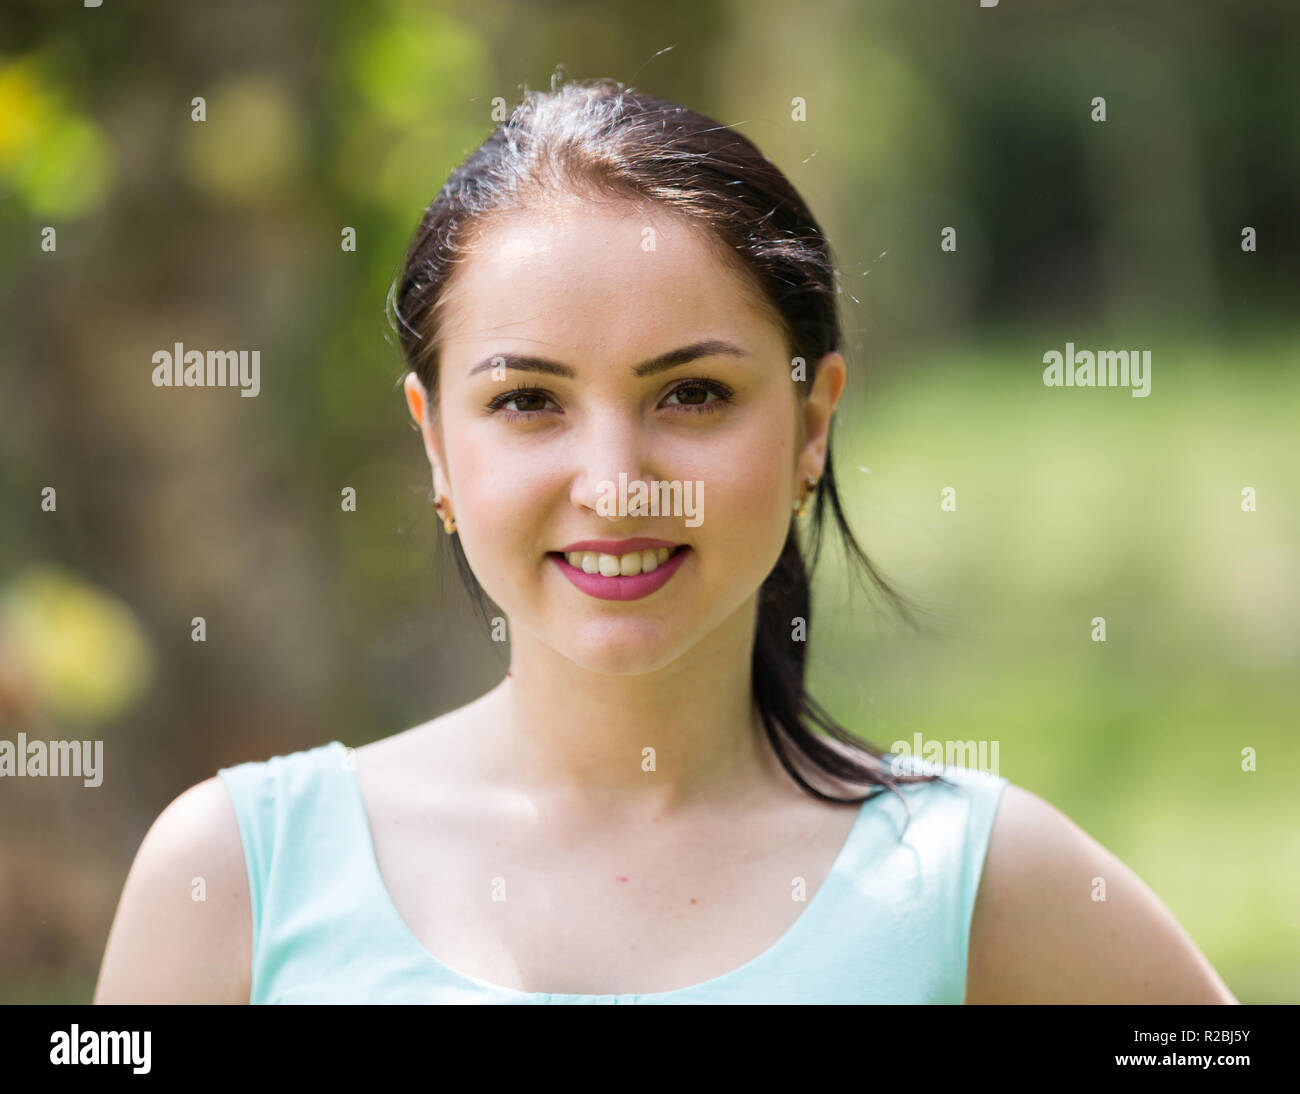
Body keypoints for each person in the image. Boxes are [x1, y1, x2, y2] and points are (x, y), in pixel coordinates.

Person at [95, 79, 1237, 1004]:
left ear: (811, 422)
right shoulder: (231, 874)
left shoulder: (975, 877)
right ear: (435, 444)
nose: (615, 483)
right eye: (528, 401)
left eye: (690, 393)